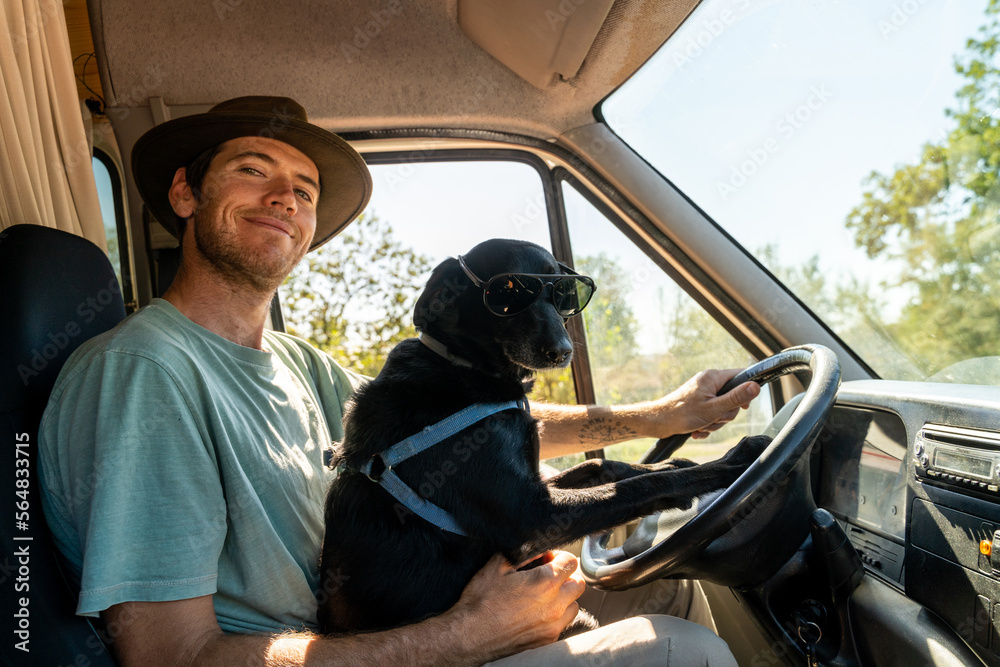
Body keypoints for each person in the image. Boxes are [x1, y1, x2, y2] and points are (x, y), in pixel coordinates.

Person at [38, 96, 761, 666]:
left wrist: (666, 414)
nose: (285, 197)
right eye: (254, 170)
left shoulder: (297, 364)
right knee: (683, 651)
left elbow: (469, 433)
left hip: (400, 622)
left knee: (673, 584)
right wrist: (466, 634)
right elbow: (172, 657)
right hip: (371, 649)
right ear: (187, 194)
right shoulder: (142, 374)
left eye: (305, 187)